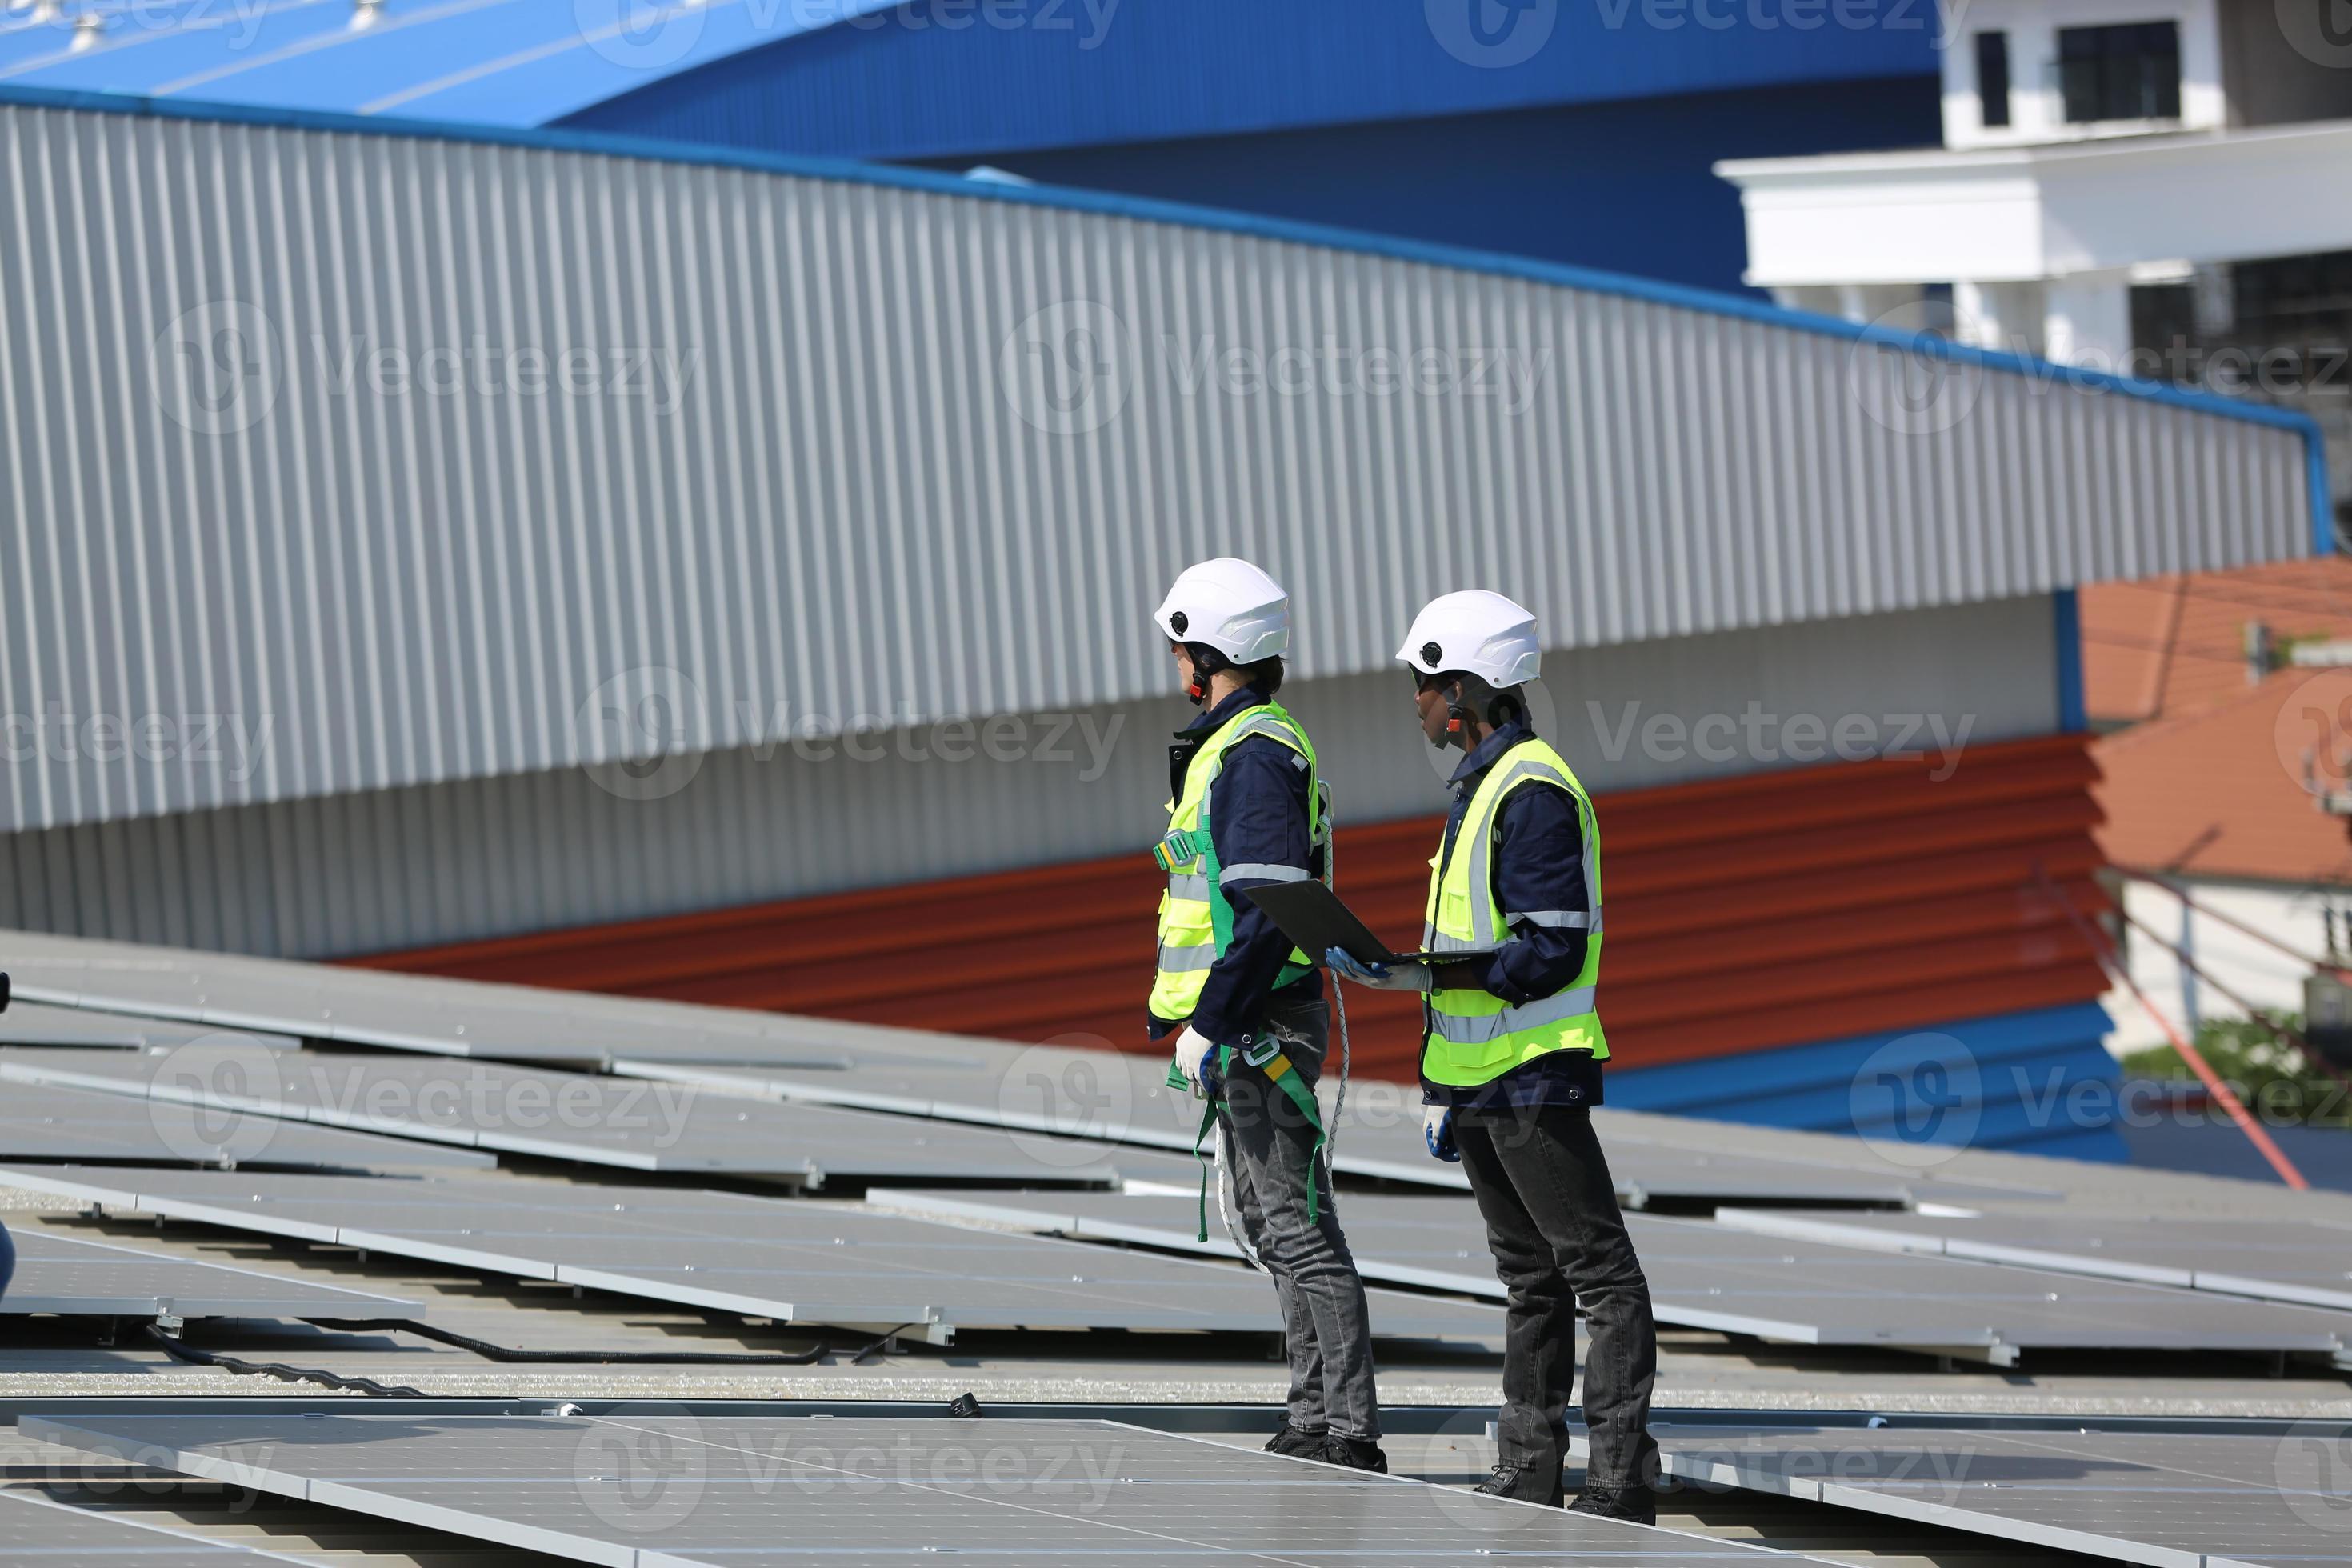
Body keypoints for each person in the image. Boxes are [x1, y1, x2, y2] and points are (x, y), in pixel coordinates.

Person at [1326, 589, 1658, 1522]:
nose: (1417, 703)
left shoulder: (1531, 790)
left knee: (1601, 1278)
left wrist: (1431, 974)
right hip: (1479, 1085)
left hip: (1532, 1078)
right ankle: (1529, 1469)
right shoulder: (1482, 788)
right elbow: (1474, 950)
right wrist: (1434, 1068)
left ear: (1467, 687)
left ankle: (1620, 1483)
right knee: (1531, 1282)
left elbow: (1552, 946)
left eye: (1425, 684)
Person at [1148, 557, 1387, 1474]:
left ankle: (1349, 1429)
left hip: (1261, 1020)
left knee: (1297, 1222)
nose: (1175, 664)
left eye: (1181, 649)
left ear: (1208, 654)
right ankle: (1314, 1415)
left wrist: (1212, 1019)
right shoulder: (1242, 745)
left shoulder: (1250, 755)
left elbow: (1264, 908)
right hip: (1252, 1018)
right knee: (1268, 1217)